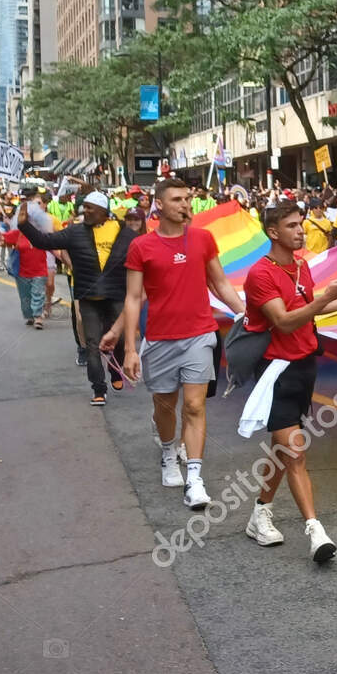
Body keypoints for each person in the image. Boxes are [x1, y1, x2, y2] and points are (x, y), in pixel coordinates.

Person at [240, 199, 337, 557]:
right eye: (292, 226)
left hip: (304, 367)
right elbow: (284, 321)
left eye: (301, 224)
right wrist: (328, 297)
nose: (301, 231)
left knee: (282, 448)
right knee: (296, 453)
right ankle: (316, 531)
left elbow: (309, 311)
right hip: (276, 370)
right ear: (273, 232)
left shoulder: (301, 265)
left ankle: (260, 514)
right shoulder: (261, 274)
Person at [106, 179, 245, 510]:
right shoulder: (142, 247)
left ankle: (194, 478)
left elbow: (221, 283)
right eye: (177, 199)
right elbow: (134, 297)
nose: (185, 204)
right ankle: (169, 453)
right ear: (159, 205)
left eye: (187, 198)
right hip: (159, 340)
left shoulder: (202, 239)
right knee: (165, 406)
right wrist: (128, 347)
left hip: (200, 335)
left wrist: (246, 315)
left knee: (195, 406)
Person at [17, 190, 136, 404]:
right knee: (92, 343)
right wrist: (24, 225)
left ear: (103, 211)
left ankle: (115, 370)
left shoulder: (123, 232)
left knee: (118, 338)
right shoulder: (75, 231)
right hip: (88, 297)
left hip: (117, 295)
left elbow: (144, 251)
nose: (85, 211)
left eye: (90, 208)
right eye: (85, 207)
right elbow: (45, 241)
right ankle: (98, 388)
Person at [2, 203, 52, 328]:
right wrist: (2, 233)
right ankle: (29, 315)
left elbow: (54, 246)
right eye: (25, 217)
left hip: (40, 270)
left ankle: (38, 316)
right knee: (25, 297)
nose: (28, 220)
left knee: (38, 294)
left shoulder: (42, 233)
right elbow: (3, 241)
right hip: (22, 272)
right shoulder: (17, 234)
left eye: (30, 217)